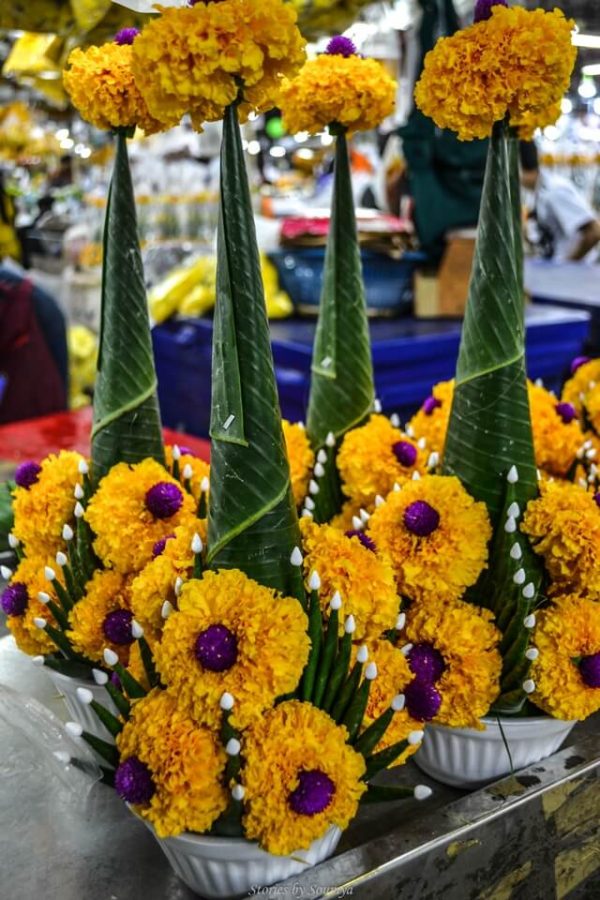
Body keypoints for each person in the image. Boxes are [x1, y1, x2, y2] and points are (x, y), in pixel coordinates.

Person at [520, 141, 600, 262]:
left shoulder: (555, 191)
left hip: (572, 274)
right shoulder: (537, 192)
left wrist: (568, 265)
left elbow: (593, 232)